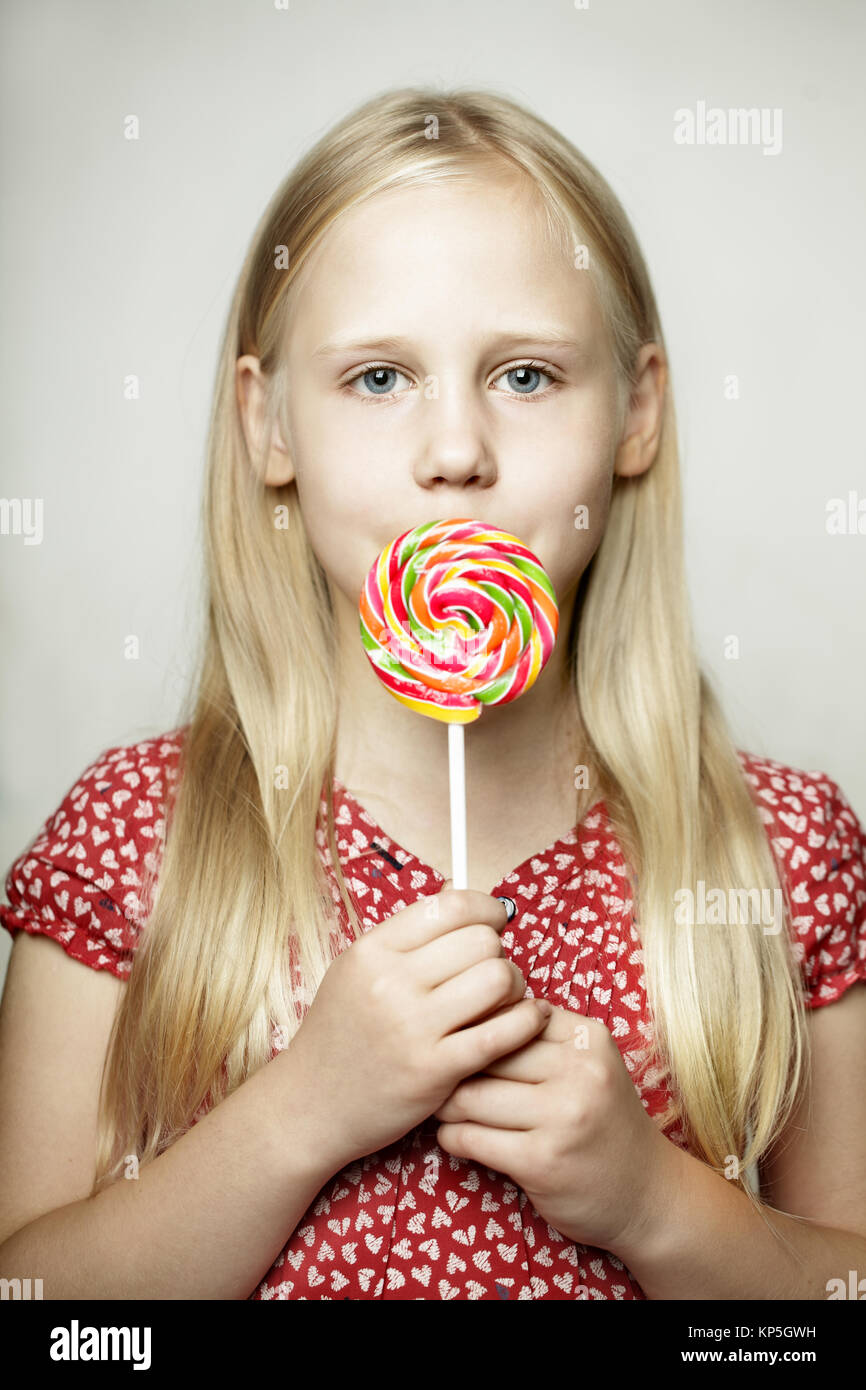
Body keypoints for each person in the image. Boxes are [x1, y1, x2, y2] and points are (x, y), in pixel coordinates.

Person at [0, 86, 864, 1302]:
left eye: (523, 373)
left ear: (638, 409)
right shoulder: (141, 837)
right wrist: (301, 1111)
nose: (453, 449)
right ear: (266, 423)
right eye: (376, 378)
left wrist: (652, 1201)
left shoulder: (772, 854)